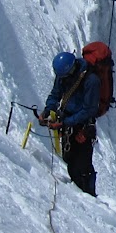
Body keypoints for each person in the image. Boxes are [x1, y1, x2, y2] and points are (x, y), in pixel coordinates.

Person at [42, 50, 100, 196]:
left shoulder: (91, 81)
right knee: (70, 160)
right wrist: (48, 110)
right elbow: (55, 94)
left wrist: (64, 123)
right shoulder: (63, 75)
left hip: (83, 126)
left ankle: (89, 194)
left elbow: (89, 110)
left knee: (82, 165)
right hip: (68, 121)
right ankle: (80, 193)